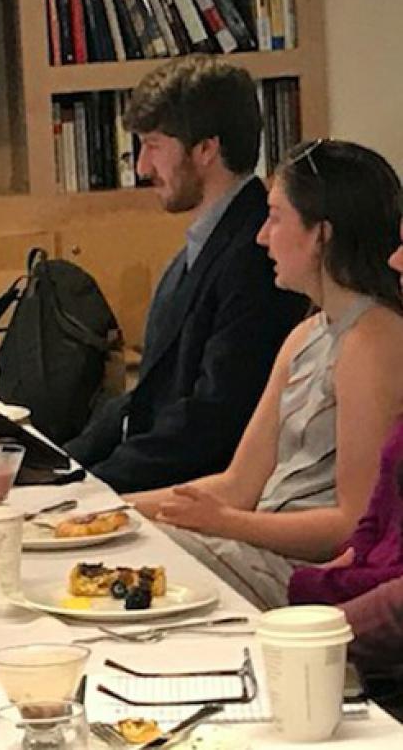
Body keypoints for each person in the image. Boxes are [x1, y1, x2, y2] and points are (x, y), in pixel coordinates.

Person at [129, 139, 403, 609]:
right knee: (123, 545)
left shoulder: (373, 342)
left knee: (138, 570)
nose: (261, 236)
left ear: (322, 234)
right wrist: (114, 509)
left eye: (276, 217)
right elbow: (238, 484)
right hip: (257, 540)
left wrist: (227, 524)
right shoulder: (306, 335)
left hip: (304, 571)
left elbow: (351, 527)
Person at [64, 55, 308, 493]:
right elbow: (148, 399)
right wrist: (62, 466)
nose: (141, 167)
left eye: (154, 146)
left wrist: (90, 489)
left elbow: (213, 417)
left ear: (206, 149)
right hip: (167, 479)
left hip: (205, 493)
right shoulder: (200, 250)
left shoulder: (258, 258)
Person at [288, 215, 403, 682]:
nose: (395, 260)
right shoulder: (307, 333)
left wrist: (318, 635)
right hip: (356, 594)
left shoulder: (375, 338)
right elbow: (381, 500)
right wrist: (352, 556)